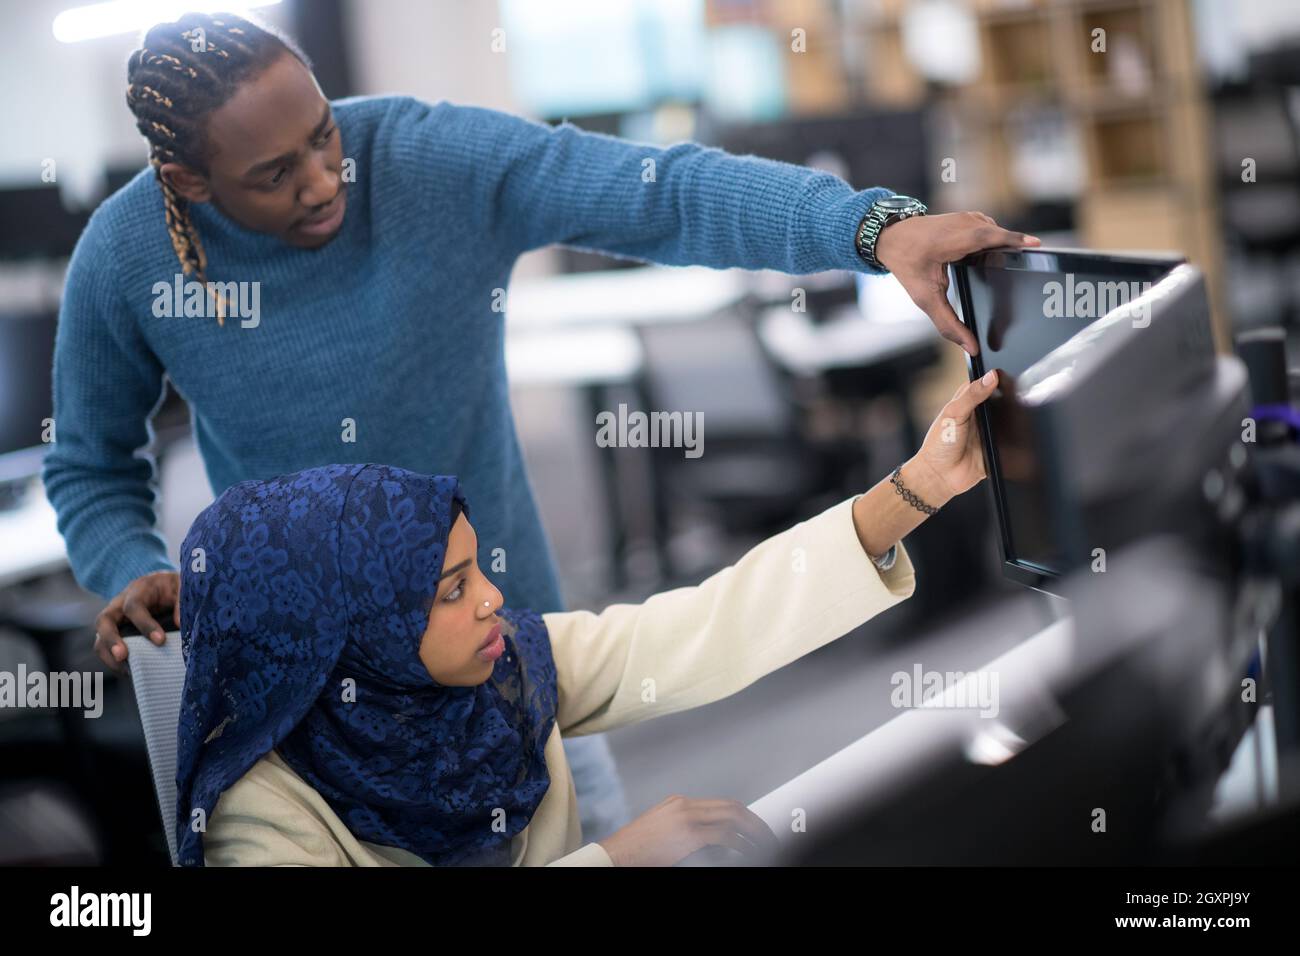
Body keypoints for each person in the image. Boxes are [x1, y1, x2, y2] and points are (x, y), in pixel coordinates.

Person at [45, 11, 1037, 843]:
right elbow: (90, 464)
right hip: (303, 688)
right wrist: (132, 563)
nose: (322, 181)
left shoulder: (423, 157)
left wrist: (873, 229)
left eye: (323, 135)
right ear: (188, 182)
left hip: (497, 641)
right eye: (274, 172)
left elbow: (664, 193)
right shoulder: (126, 260)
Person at [175, 369, 999, 866]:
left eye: (476, 571)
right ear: (356, 641)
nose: (494, 598)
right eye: (453, 590)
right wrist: (621, 855)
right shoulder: (260, 811)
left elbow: (710, 626)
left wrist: (920, 487)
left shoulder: (509, 667)